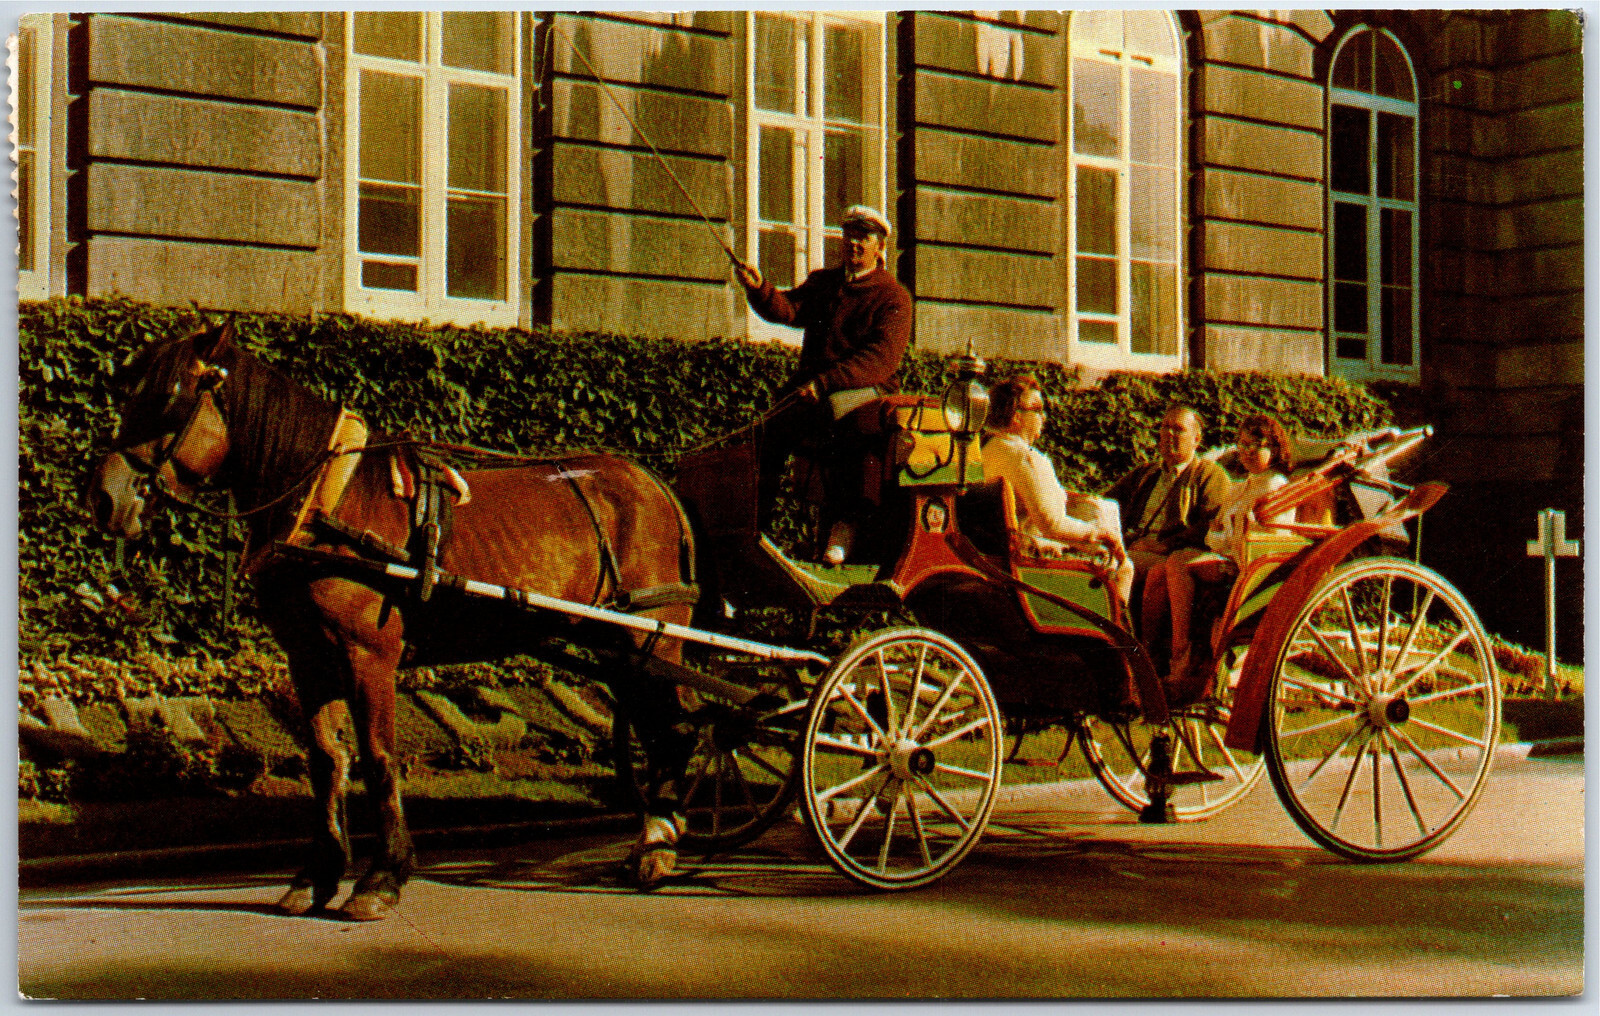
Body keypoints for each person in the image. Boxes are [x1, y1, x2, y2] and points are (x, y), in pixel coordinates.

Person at [736, 205, 913, 564]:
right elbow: (789, 309)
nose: (854, 244)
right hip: (817, 386)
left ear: (880, 247)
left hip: (869, 388)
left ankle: (845, 526)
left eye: (864, 237)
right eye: (850, 235)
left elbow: (879, 360)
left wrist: (825, 383)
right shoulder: (824, 283)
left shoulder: (894, 297)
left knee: (845, 420)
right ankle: (755, 528)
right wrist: (759, 289)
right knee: (769, 428)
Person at [1163, 414, 1296, 692]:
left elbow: (1260, 536)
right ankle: (1173, 656)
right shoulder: (1242, 486)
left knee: (1177, 563)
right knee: (1168, 567)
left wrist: (1226, 536)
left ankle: (1181, 657)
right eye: (1243, 444)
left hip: (1253, 566)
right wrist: (1224, 535)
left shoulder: (1274, 486)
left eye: (1255, 446)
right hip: (1229, 559)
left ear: (1273, 450)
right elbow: (1216, 536)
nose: (1247, 452)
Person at [981, 375, 1133, 605]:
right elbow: (1052, 524)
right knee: (1125, 567)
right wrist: (1101, 533)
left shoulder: (990, 448)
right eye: (1038, 409)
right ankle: (1118, 637)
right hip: (1032, 559)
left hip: (1001, 553)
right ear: (1016, 416)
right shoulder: (1023, 458)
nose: (1044, 416)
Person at [1104, 405, 1231, 655]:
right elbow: (1107, 503)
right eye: (1164, 427)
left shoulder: (1209, 475)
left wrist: (1162, 545)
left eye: (1178, 429)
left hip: (1169, 554)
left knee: (1115, 568)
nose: (1168, 434)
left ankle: (1133, 651)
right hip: (1131, 547)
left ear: (1196, 439)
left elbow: (1210, 525)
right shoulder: (1146, 473)